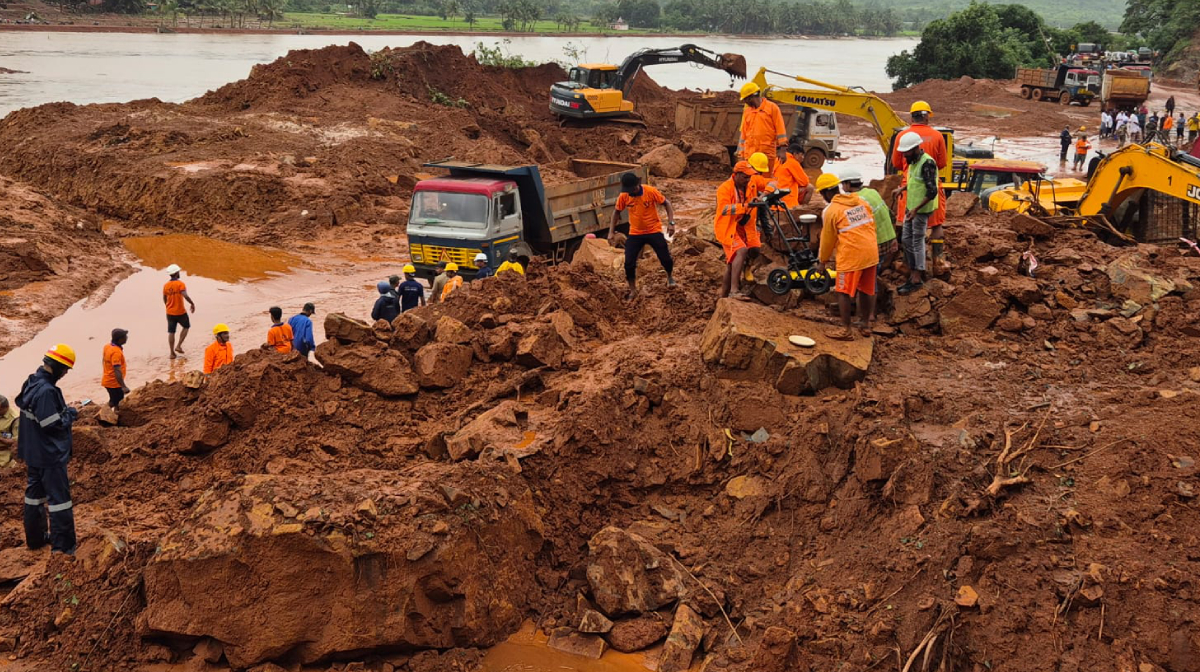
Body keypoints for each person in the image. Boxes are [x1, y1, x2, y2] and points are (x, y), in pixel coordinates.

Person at [15, 344, 79, 555]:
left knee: (34, 498)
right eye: (66, 370)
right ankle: (64, 548)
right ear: (59, 367)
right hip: (49, 456)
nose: (66, 374)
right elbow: (51, 424)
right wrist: (70, 413)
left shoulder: (31, 382)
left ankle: (35, 538)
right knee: (60, 502)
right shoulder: (47, 391)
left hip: (33, 452)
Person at [814, 173, 878, 340]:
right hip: (871, 252)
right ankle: (865, 325)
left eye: (822, 194)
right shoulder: (861, 202)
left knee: (842, 291)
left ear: (826, 193)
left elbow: (827, 240)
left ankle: (846, 329)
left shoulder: (832, 211)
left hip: (851, 255)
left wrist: (822, 262)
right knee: (866, 290)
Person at [891, 101, 949, 273]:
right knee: (936, 225)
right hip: (933, 187)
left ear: (912, 116)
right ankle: (938, 262)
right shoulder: (937, 136)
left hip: (910, 186)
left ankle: (908, 264)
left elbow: (896, 163)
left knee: (907, 227)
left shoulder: (902, 136)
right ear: (926, 116)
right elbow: (942, 163)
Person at [607, 171, 676, 300]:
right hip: (635, 233)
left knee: (665, 257)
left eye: (631, 189)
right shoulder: (624, 196)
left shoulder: (650, 191)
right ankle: (633, 290)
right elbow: (616, 213)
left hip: (653, 230)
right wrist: (611, 232)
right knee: (629, 263)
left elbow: (667, 204)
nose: (630, 192)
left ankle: (670, 276)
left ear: (637, 184)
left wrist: (671, 223)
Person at [895, 132, 938, 296]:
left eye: (906, 151)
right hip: (911, 208)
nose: (904, 155)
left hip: (920, 210)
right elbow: (915, 182)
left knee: (917, 241)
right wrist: (902, 188)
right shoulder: (913, 161)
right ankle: (913, 271)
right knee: (906, 239)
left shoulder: (927, 163)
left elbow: (932, 191)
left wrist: (916, 209)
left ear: (915, 148)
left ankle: (916, 277)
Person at [714, 161, 764, 298]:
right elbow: (724, 209)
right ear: (736, 175)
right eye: (745, 177)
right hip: (728, 227)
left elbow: (771, 182)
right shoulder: (725, 188)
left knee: (753, 249)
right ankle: (734, 291)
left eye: (749, 177)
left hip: (744, 226)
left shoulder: (750, 183)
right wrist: (746, 205)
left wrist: (769, 192)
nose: (748, 180)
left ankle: (723, 297)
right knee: (740, 251)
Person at [840, 169, 896, 275]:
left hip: (878, 244)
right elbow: (890, 215)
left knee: (868, 273)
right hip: (889, 239)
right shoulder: (872, 192)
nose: (842, 188)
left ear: (847, 184)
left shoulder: (856, 200)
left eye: (842, 184)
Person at [736, 82, 787, 176]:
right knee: (751, 182)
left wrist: (783, 150)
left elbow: (781, 130)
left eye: (745, 99)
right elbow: (743, 135)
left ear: (751, 97)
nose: (745, 102)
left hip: (766, 154)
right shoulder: (747, 112)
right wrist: (740, 154)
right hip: (750, 155)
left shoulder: (772, 108)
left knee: (765, 181)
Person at [162, 263, 196, 361]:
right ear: (177, 273)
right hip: (180, 312)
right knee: (186, 326)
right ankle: (179, 346)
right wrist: (192, 303)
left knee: (171, 332)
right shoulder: (180, 284)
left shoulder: (166, 286)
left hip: (169, 312)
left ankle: (172, 353)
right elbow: (185, 295)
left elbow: (164, 298)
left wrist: (168, 307)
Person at [774, 144, 814, 210]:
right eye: (802, 155)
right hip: (786, 197)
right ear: (795, 154)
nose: (803, 157)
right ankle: (802, 208)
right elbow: (805, 182)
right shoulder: (792, 162)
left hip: (775, 193)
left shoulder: (778, 159)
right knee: (810, 187)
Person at [101, 328, 130, 410]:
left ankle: (107, 413)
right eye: (125, 336)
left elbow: (104, 361)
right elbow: (117, 369)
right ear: (120, 339)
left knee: (114, 400)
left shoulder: (107, 346)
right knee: (118, 402)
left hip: (107, 380)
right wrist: (123, 386)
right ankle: (110, 416)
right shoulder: (116, 352)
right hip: (114, 383)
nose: (127, 338)